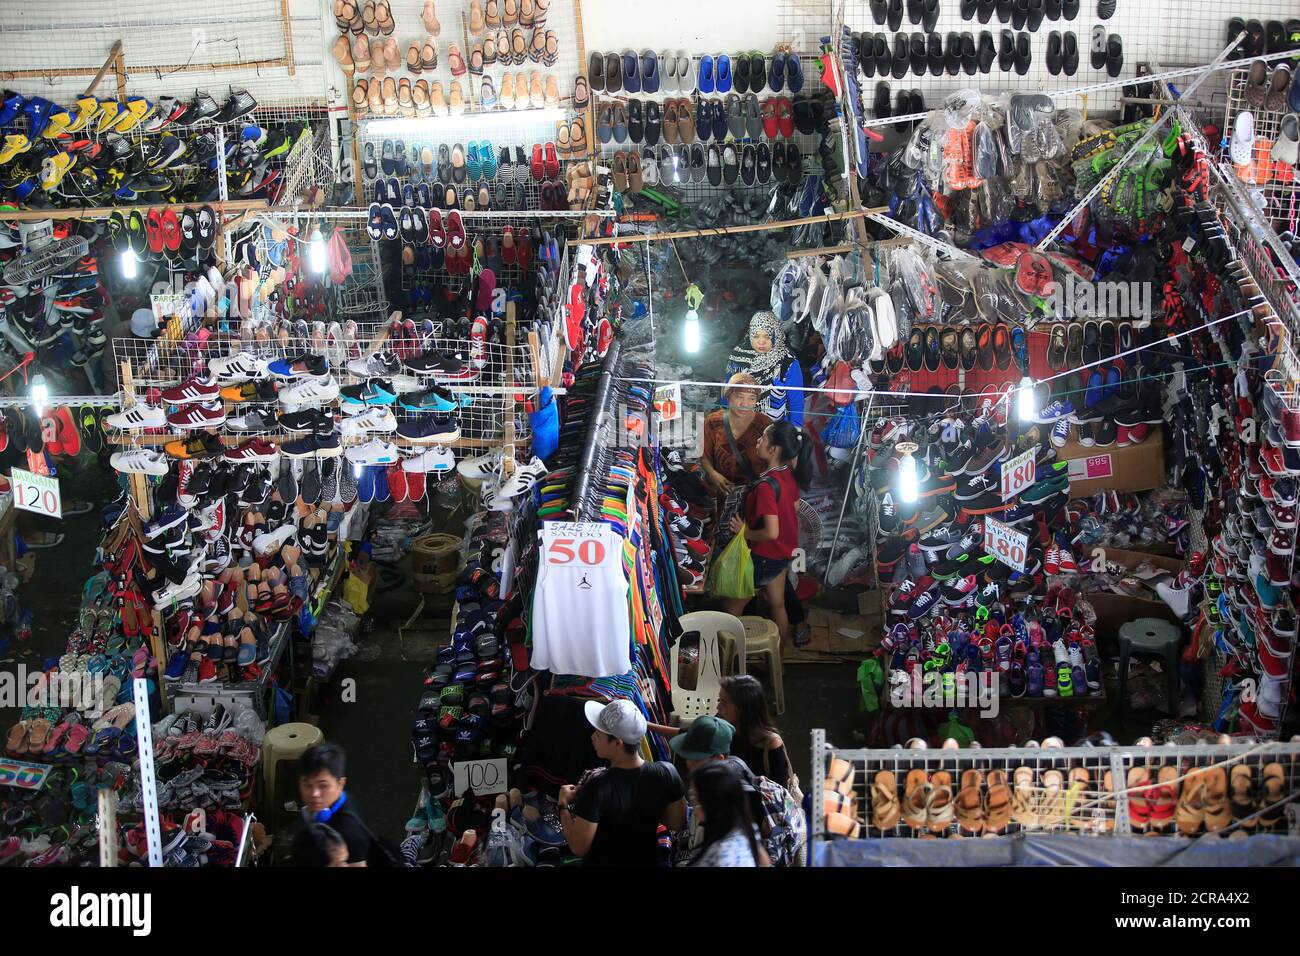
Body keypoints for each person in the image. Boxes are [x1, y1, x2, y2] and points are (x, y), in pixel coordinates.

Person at [556, 699, 687, 866]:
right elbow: (677, 823)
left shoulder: (597, 785)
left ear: (618, 742)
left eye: (598, 734)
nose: (592, 737)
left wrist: (563, 804)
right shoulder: (667, 773)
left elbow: (578, 847)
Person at [720, 420, 813, 645]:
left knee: (729, 610)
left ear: (774, 449)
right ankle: (778, 664)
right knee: (778, 604)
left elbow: (771, 532)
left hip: (764, 556)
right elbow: (795, 508)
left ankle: (726, 664)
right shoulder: (788, 475)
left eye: (763, 438)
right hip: (782, 554)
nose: (758, 441)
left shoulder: (765, 487)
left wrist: (745, 532)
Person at [296, 742, 373, 866]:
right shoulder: (333, 801)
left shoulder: (349, 831)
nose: (314, 793)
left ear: (341, 784)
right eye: (307, 785)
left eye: (323, 785)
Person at [700, 373, 772, 497]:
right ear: (728, 396)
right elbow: (704, 455)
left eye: (751, 398)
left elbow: (776, 461)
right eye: (739, 396)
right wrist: (713, 474)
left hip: (757, 496)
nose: (745, 403)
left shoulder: (764, 424)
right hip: (723, 494)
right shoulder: (713, 421)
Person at [726, 311, 804, 426]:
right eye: (756, 336)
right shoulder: (738, 357)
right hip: (741, 427)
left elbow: (796, 403)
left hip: (773, 432)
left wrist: (795, 432)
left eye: (767, 336)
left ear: (776, 335)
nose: (761, 342)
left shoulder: (788, 363)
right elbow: (727, 392)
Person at [717, 675, 795, 789]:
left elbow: (779, 792)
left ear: (742, 708)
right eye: (719, 700)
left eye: (723, 703)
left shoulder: (769, 743)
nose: (718, 707)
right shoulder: (723, 725)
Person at [688, 762, 767, 867]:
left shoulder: (722, 856)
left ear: (713, 804)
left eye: (695, 798)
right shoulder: (747, 830)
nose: (693, 805)